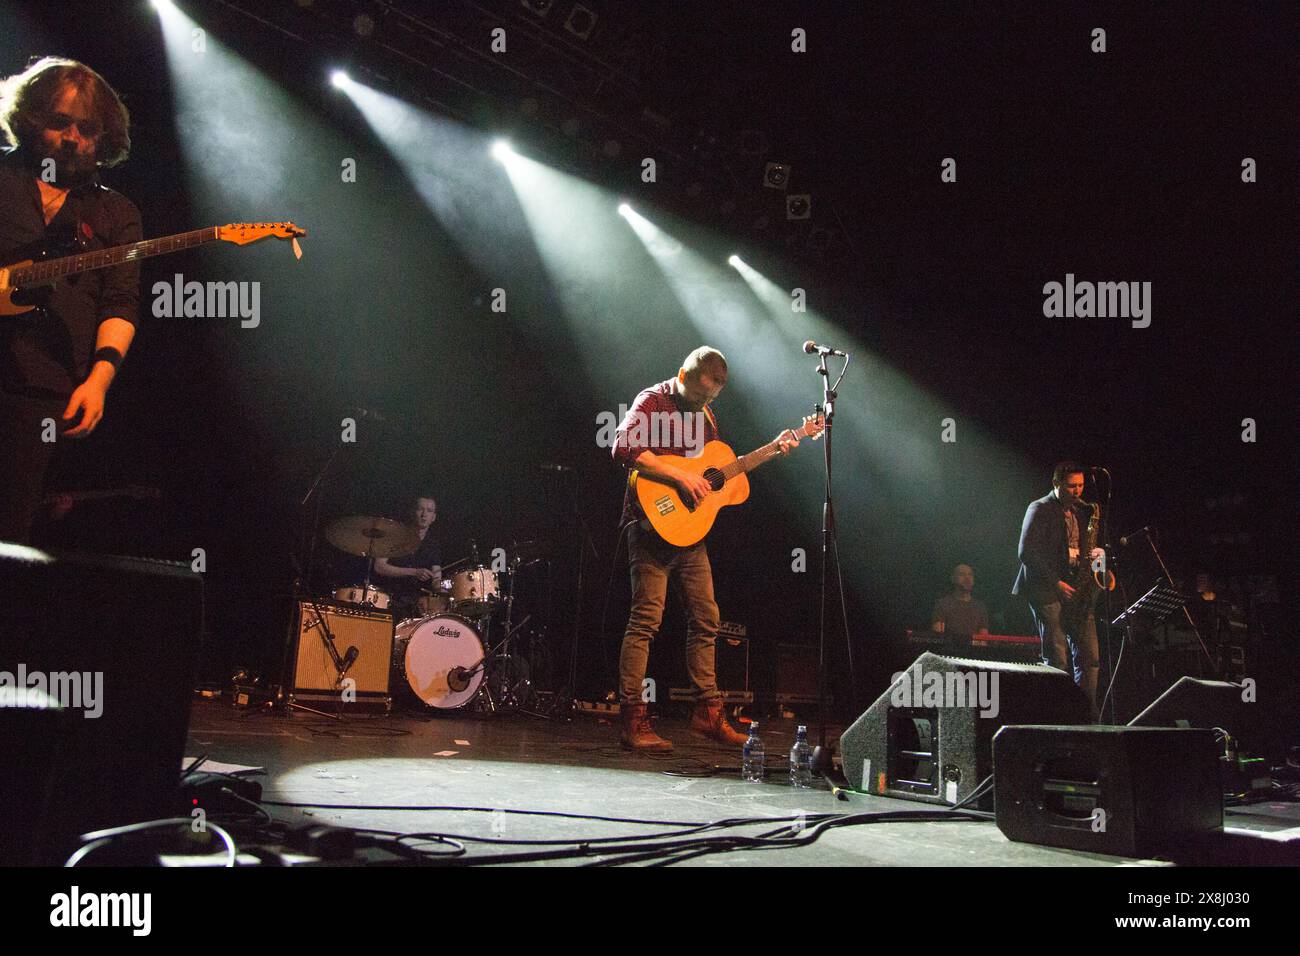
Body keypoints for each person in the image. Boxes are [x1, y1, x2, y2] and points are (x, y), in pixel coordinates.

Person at [611, 346, 799, 751]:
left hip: (689, 532)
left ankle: (708, 713)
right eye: (699, 395)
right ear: (683, 375)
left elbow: (716, 470)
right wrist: (679, 477)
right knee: (646, 620)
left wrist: (771, 450)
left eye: (710, 398)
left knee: (707, 618)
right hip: (650, 525)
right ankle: (633, 719)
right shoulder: (653, 401)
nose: (703, 404)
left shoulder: (707, 415)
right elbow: (623, 447)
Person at [0, 56, 140, 544]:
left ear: (105, 138)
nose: (72, 137)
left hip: (42, 386)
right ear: (32, 118)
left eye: (87, 128)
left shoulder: (116, 213)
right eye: (59, 122)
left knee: (11, 529)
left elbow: (120, 304)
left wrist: (99, 382)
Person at [1012, 462, 1105, 720]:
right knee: (1058, 659)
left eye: (1081, 485)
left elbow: (1084, 551)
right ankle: (1057, 717)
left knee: (1090, 659)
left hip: (1077, 591)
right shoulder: (1039, 508)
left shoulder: (1081, 512)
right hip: (1046, 590)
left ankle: (1085, 715)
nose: (1078, 491)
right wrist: (1056, 583)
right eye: (1072, 486)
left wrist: (1099, 563)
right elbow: (1026, 552)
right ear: (1057, 484)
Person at [373, 494, 442, 620]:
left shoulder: (433, 544)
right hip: (390, 599)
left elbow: (436, 578)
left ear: (434, 517)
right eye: (420, 509)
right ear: (412, 512)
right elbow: (379, 566)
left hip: (417, 605)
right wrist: (414, 572)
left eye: (429, 511)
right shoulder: (395, 535)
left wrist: (443, 590)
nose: (424, 514)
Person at [931, 563, 990, 638]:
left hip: (973, 645)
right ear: (953, 578)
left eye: (970, 574)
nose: (967, 577)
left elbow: (983, 638)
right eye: (962, 574)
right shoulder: (943, 604)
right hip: (950, 645)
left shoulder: (980, 607)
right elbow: (938, 636)